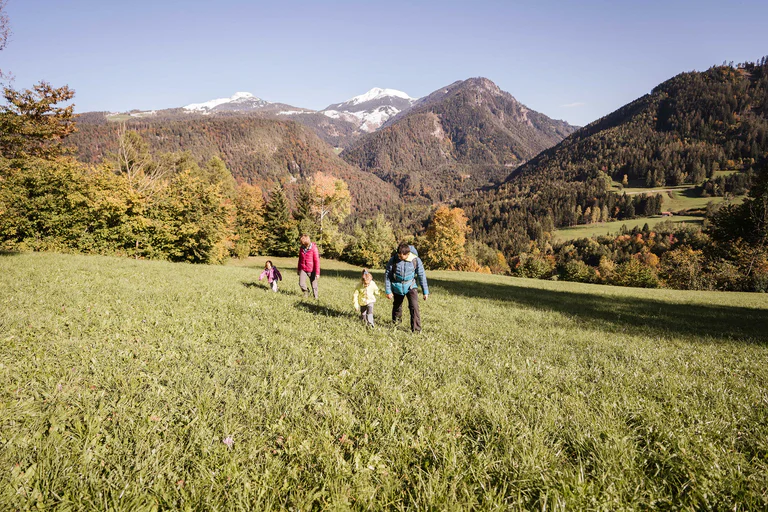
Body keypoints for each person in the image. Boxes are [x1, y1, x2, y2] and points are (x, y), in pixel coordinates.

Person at [385, 242, 429, 333]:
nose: (399, 258)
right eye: (398, 256)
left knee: (414, 306)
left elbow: (421, 275)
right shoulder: (393, 260)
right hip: (397, 286)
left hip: (410, 286)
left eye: (402, 257)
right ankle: (396, 325)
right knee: (397, 306)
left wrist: (425, 291)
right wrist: (388, 291)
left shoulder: (416, 260)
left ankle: (416, 329)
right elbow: (387, 276)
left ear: (408, 254)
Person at [297, 234, 320, 299]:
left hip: (312, 269)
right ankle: (306, 291)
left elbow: (317, 261)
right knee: (301, 283)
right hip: (303, 268)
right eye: (302, 243)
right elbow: (300, 259)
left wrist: (317, 273)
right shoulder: (301, 248)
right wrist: (298, 269)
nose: (302, 245)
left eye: (304, 244)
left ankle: (316, 298)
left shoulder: (314, 248)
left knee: (314, 285)